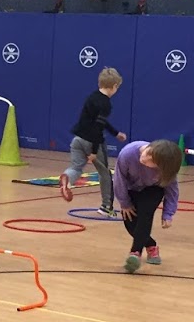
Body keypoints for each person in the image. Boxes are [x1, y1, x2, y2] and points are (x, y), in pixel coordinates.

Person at [59, 66, 126, 216]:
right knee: (105, 174)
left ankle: (67, 179)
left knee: (76, 167)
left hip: (77, 139)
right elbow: (98, 127)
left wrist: (115, 133)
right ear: (114, 86)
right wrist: (94, 151)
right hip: (92, 142)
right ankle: (106, 206)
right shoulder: (106, 104)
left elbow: (99, 121)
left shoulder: (92, 97)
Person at [113, 139, 182, 272]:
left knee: (145, 214)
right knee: (130, 223)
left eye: (152, 160)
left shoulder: (166, 170)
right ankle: (151, 245)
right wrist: (124, 203)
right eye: (148, 152)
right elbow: (119, 180)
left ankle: (135, 254)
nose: (145, 158)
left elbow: (172, 190)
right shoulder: (127, 154)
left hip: (153, 189)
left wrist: (168, 213)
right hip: (131, 189)